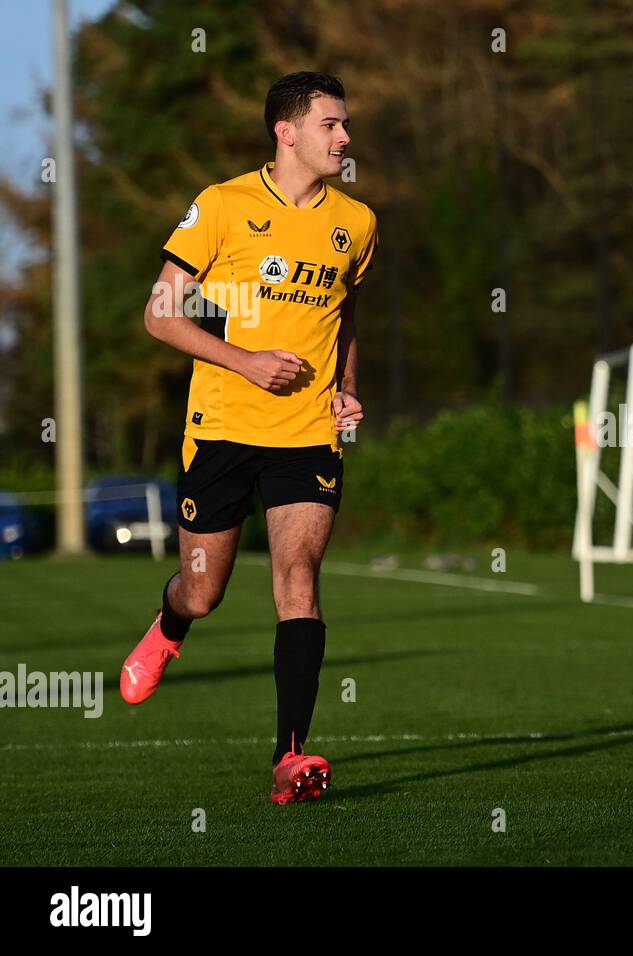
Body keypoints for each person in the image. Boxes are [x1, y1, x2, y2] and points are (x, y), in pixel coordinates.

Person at [118, 71, 378, 805]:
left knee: (299, 580)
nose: (345, 138)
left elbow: (346, 317)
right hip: (225, 427)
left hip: (307, 435)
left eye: (346, 124)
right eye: (331, 125)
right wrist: (247, 362)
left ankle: (291, 755)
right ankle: (170, 625)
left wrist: (347, 388)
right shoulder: (222, 205)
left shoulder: (355, 222)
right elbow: (161, 315)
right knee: (205, 593)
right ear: (286, 131)